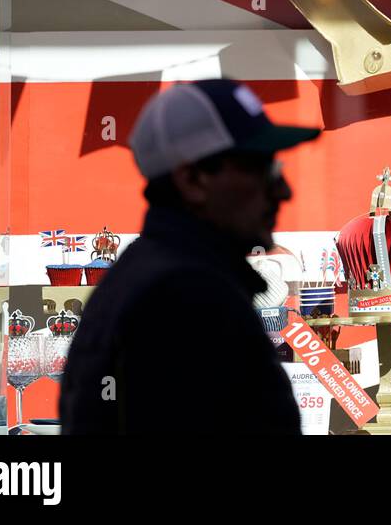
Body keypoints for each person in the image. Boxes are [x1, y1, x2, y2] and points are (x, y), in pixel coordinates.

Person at [60, 79, 320, 434]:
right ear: (193, 180)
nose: (283, 191)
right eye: (259, 168)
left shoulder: (157, 277)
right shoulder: (186, 295)